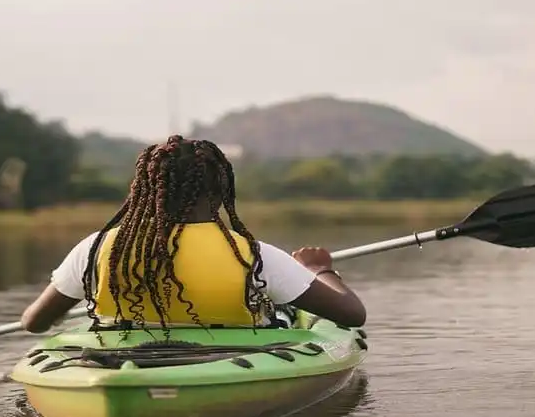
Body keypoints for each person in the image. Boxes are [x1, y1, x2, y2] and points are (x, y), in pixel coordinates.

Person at [20, 135, 366, 334]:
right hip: (230, 363)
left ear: (143, 190)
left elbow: (34, 323)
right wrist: (319, 269)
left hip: (121, 361)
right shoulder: (253, 255)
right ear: (220, 192)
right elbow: (352, 315)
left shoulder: (96, 249)